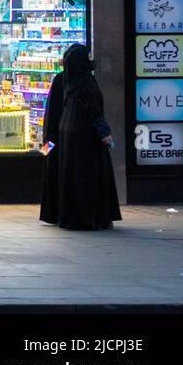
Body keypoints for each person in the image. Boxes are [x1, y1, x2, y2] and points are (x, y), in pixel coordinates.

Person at [40, 43, 121, 230]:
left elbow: (51, 113)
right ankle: (90, 216)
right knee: (88, 177)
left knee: (61, 172)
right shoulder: (86, 81)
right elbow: (95, 111)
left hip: (60, 136)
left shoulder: (61, 80)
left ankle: (59, 213)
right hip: (87, 138)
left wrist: (46, 147)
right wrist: (105, 134)